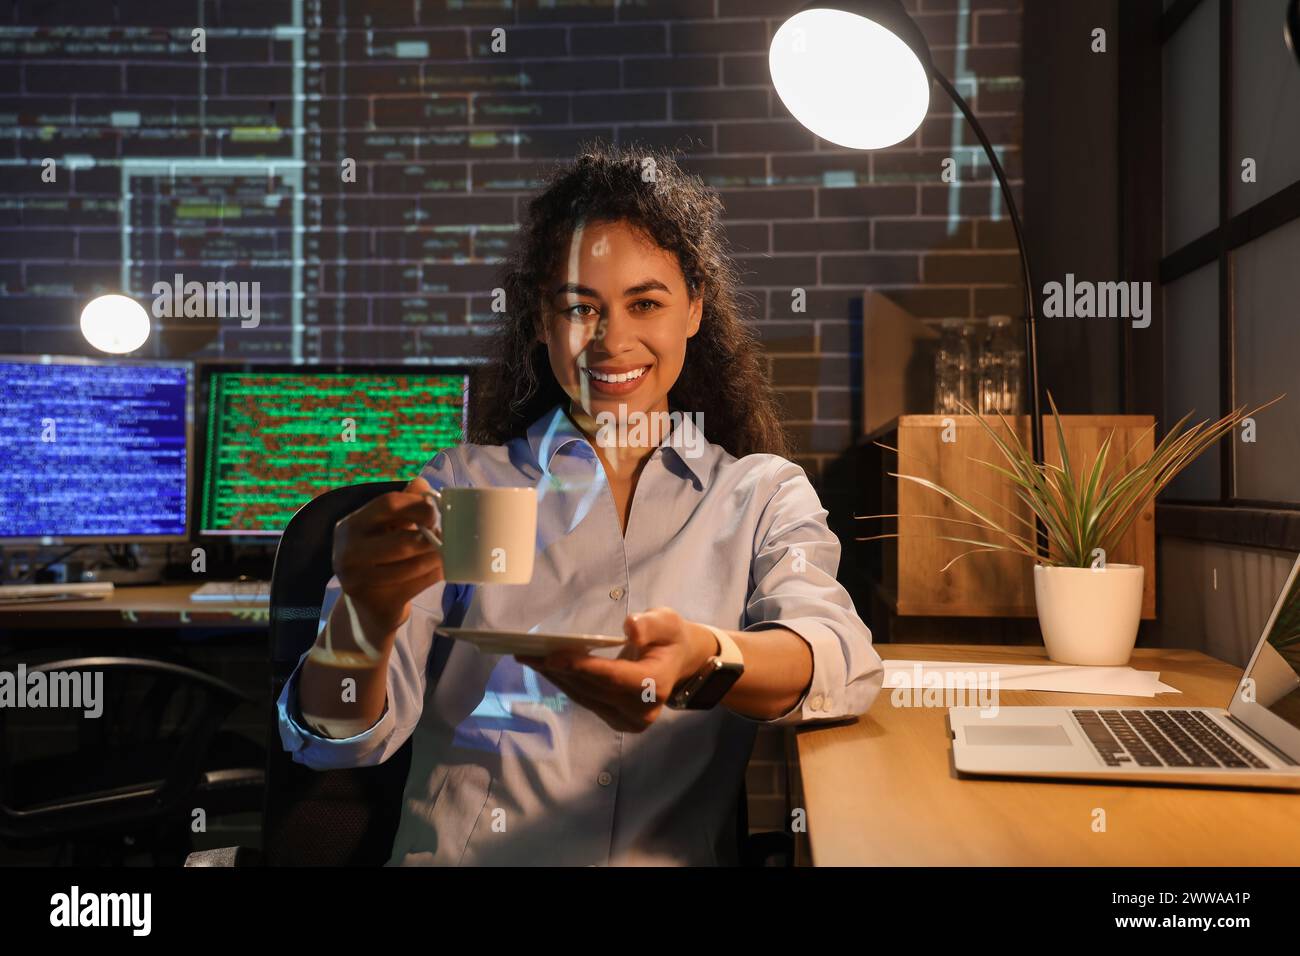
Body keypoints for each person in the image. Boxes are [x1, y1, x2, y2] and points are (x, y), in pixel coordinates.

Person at [278, 142, 885, 865]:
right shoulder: (465, 488)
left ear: (694, 307)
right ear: (541, 321)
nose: (612, 340)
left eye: (646, 303)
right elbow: (336, 742)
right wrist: (362, 618)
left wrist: (706, 659)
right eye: (579, 308)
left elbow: (841, 661)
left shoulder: (756, 494)